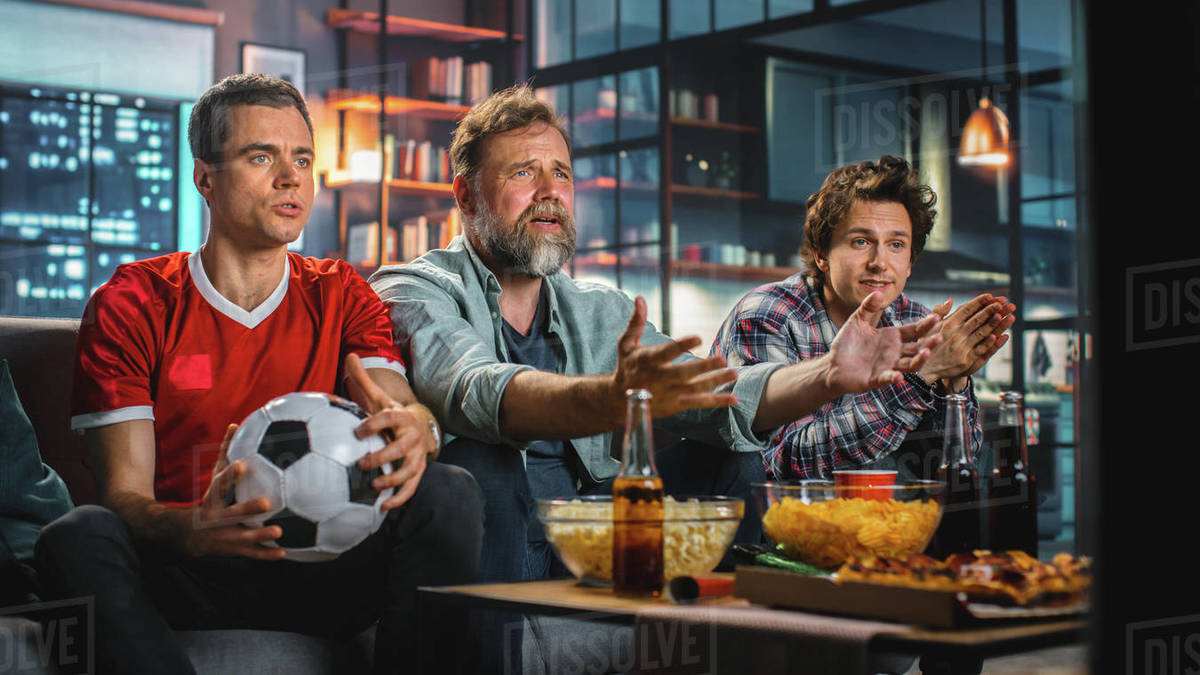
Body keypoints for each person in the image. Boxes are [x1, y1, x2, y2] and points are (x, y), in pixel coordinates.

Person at [368, 85, 945, 589]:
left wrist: (828, 376)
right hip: (493, 534)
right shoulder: (412, 289)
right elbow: (476, 388)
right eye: (523, 172)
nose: (550, 191)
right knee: (482, 461)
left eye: (561, 173)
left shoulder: (602, 309)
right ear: (466, 194)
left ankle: (736, 643)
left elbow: (720, 394)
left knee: (732, 459)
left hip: (591, 531)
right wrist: (614, 398)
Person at [34, 74, 483, 675]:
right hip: (186, 568)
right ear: (205, 179)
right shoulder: (133, 300)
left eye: (302, 159)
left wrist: (415, 429)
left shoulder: (343, 291)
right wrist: (194, 527)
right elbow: (124, 497)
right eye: (261, 157)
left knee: (450, 490)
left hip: (322, 569)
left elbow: (398, 404)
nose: (290, 177)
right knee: (74, 536)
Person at [711, 155, 1015, 480]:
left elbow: (953, 468)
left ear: (910, 263)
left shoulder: (914, 320)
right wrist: (919, 377)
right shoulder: (769, 315)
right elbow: (784, 464)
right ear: (822, 254)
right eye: (861, 241)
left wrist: (952, 383)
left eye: (896, 244)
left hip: (885, 509)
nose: (880, 262)